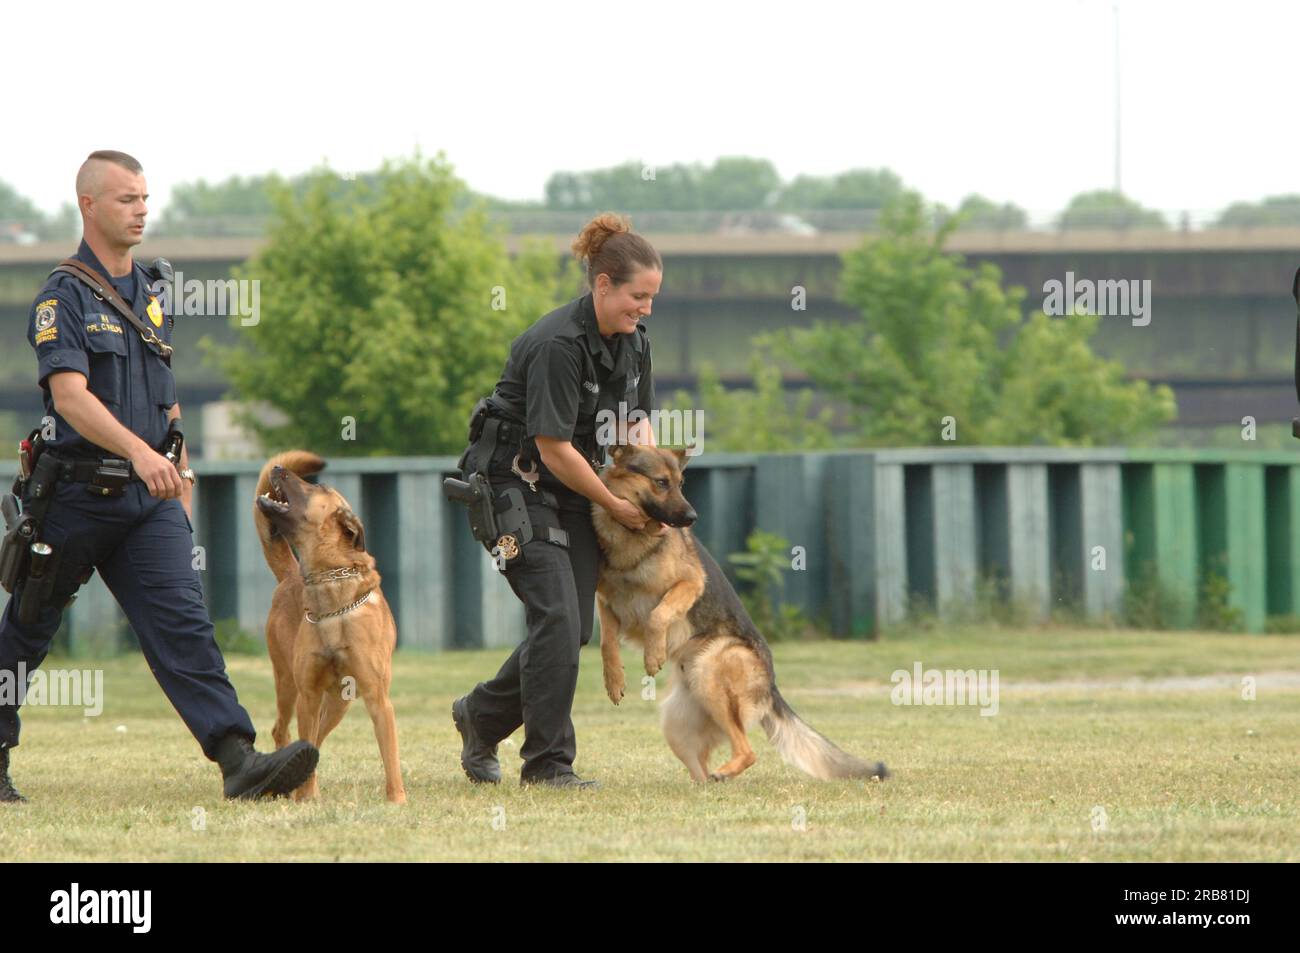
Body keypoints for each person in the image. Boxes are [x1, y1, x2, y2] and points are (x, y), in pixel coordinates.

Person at [0, 151, 319, 803]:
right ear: (88, 205)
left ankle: (239, 758)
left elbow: (164, 391)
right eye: (125, 199)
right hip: (77, 496)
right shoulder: (60, 296)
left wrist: (179, 464)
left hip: (150, 501)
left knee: (184, 625)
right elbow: (70, 396)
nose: (140, 209)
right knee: (28, 628)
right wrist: (138, 454)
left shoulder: (154, 288)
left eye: (144, 198)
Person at [451, 212, 663, 788]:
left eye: (651, 298)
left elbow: (637, 424)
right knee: (557, 617)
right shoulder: (557, 345)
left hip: (572, 487)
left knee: (572, 631)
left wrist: (647, 490)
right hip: (512, 484)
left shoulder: (635, 343)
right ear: (602, 285)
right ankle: (547, 765)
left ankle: (480, 715)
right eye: (637, 296)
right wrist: (618, 508)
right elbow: (553, 448)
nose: (645, 308)